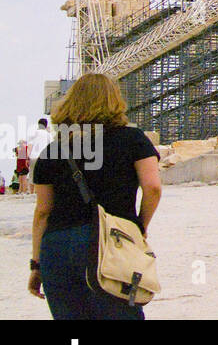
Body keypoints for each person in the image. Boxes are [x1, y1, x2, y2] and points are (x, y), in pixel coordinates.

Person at [28, 72, 161, 320]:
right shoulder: (132, 139)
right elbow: (152, 186)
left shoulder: (53, 150)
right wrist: (139, 225)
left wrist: (36, 265)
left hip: (58, 246)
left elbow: (43, 211)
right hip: (109, 242)